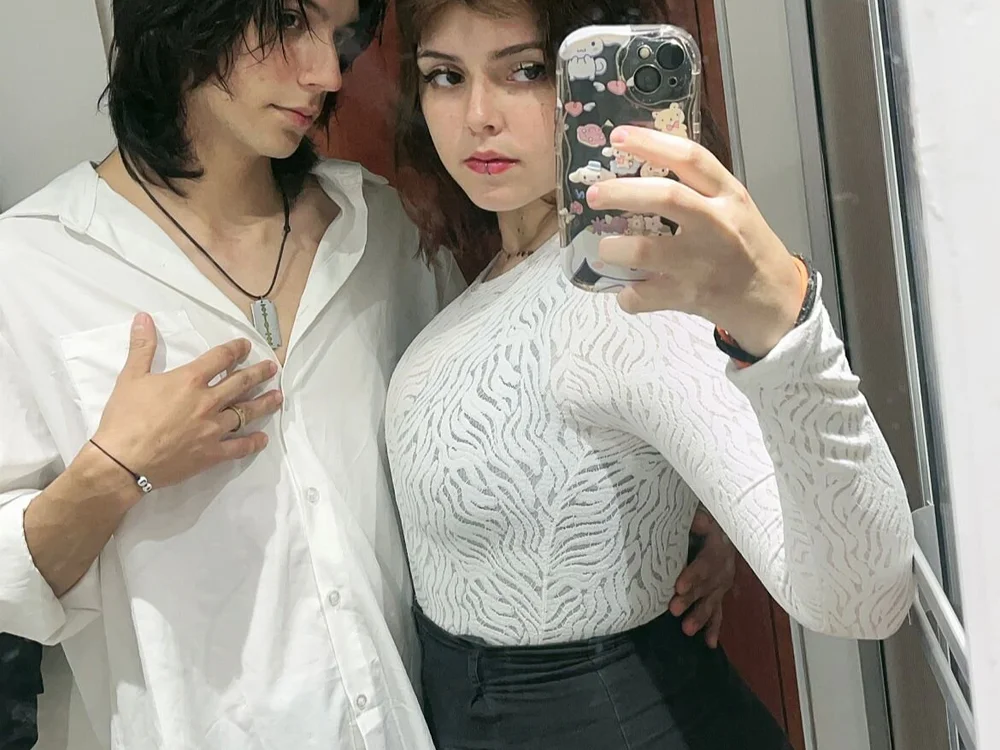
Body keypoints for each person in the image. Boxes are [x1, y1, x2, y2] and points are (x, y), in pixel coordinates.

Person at [0, 0, 737, 746]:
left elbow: (498, 440)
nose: (327, 74)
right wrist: (111, 474)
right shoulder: (30, 269)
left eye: (340, 35)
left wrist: (676, 506)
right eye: (291, 21)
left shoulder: (383, 229)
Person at [385, 1, 917, 748]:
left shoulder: (634, 299)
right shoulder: (496, 277)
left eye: (527, 71)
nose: (478, 116)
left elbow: (864, 599)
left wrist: (782, 319)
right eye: (446, 76)